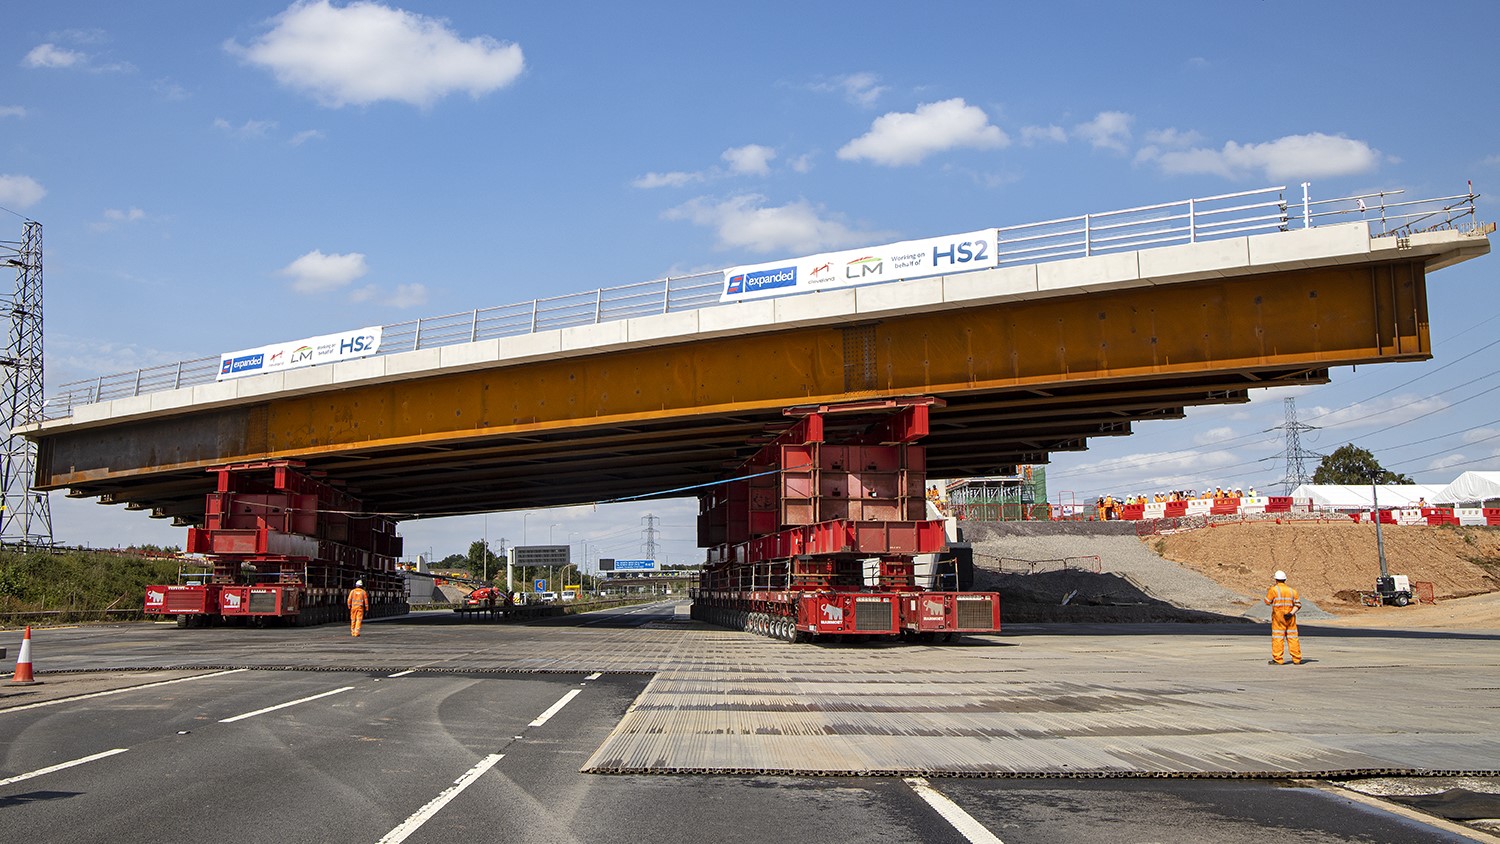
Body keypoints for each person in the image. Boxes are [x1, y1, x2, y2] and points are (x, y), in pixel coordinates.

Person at [1264, 570, 1302, 665]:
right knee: (1293, 637)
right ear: (1285, 579)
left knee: (1278, 637)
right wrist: (1291, 613)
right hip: (1290, 616)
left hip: (1278, 617)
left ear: (1276, 580)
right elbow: (1298, 605)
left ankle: (1278, 659)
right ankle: (1297, 659)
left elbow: (1267, 601)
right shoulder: (1292, 591)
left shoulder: (1274, 590)